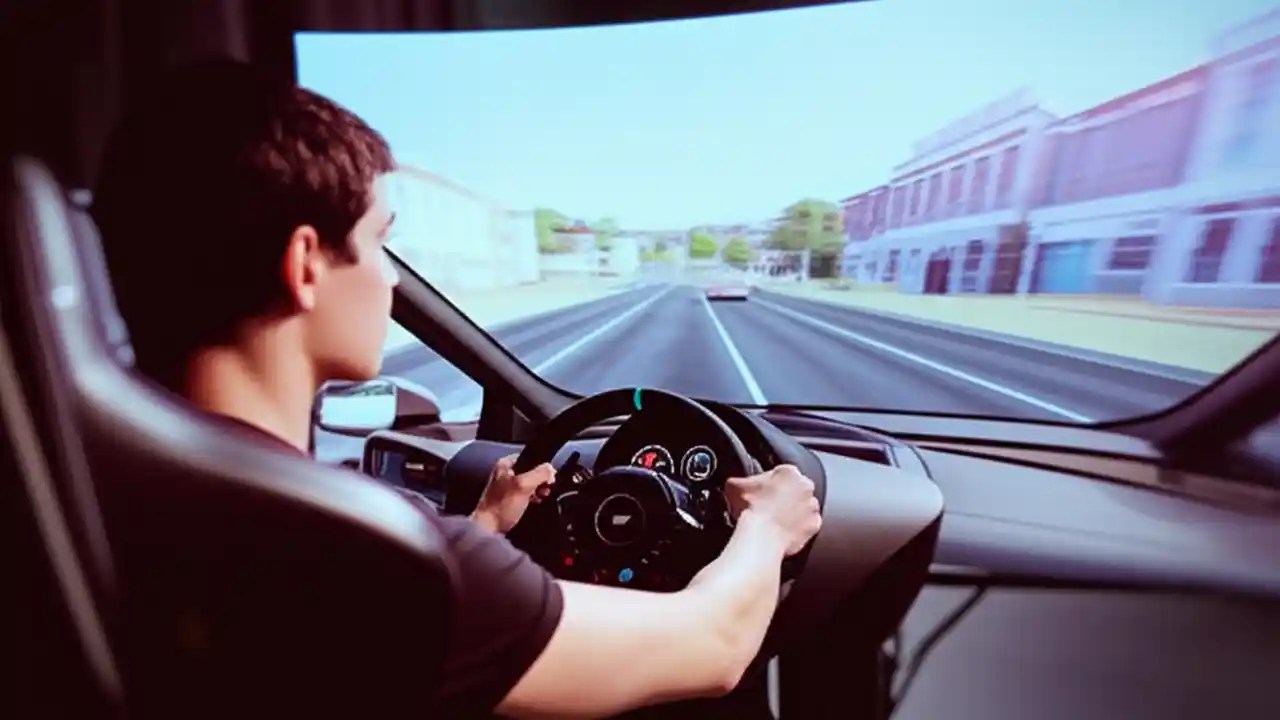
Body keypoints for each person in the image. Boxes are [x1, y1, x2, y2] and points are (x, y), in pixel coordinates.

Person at [90, 60, 822, 718]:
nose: (392, 279)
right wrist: (767, 525)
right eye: (380, 243)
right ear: (305, 264)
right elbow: (712, 646)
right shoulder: (369, 554)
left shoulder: (106, 486)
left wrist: (487, 527)